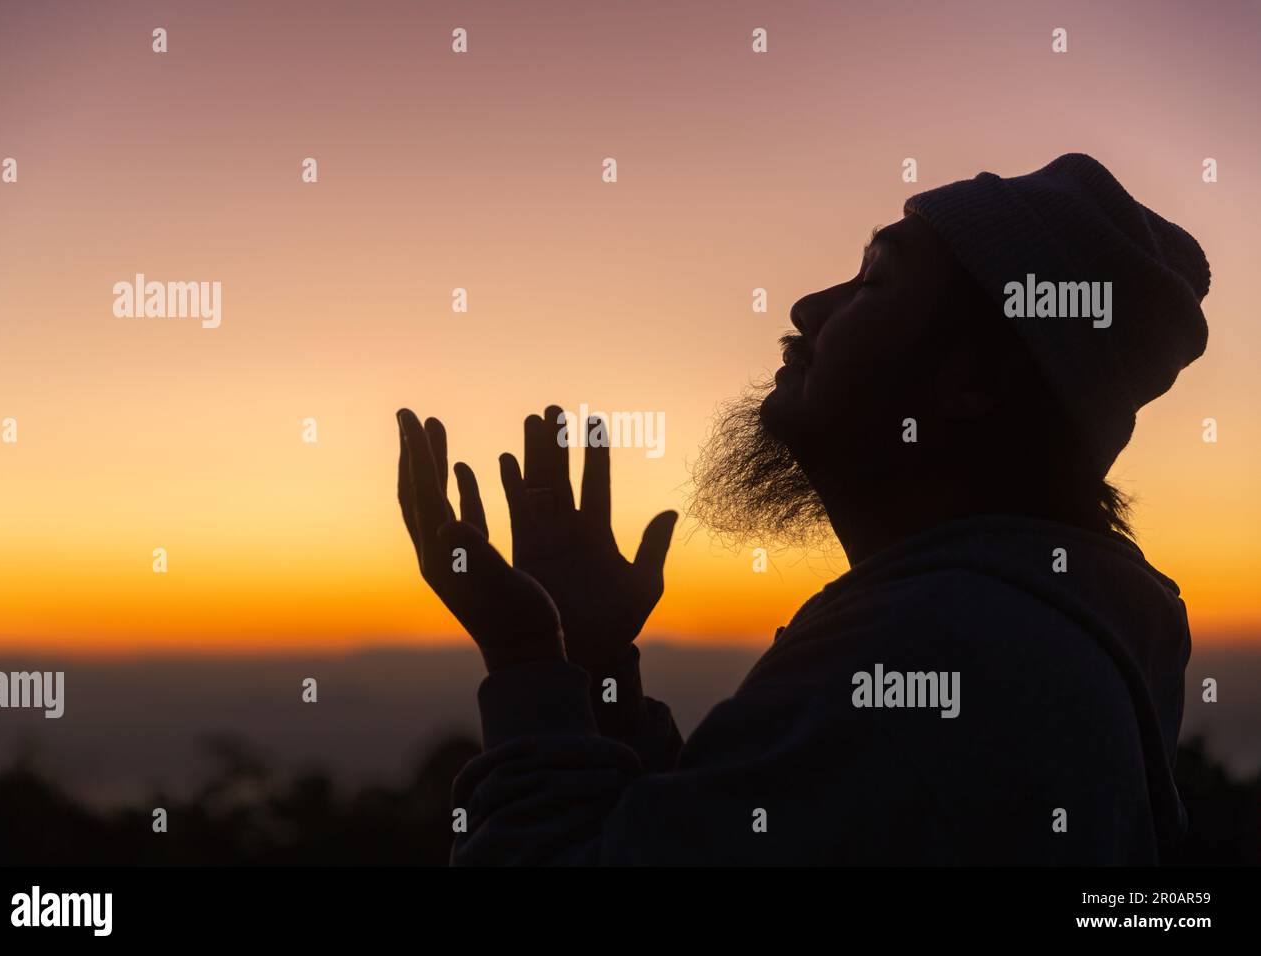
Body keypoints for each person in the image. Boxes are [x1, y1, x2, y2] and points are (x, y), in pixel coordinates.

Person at [396, 153, 1210, 864]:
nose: (808, 309)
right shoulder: (1025, 630)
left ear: (970, 386)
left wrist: (526, 656)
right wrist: (596, 660)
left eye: (873, 282)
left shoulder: (935, 646)